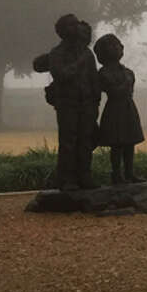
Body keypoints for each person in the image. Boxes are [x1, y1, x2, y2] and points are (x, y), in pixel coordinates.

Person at [33, 13, 101, 190]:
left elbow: (94, 78)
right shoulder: (57, 53)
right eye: (72, 25)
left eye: (77, 24)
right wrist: (79, 62)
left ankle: (85, 176)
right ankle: (66, 179)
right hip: (67, 104)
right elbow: (61, 75)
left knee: (86, 141)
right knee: (68, 142)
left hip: (87, 104)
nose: (77, 27)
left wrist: (96, 102)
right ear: (63, 31)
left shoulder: (87, 53)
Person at [93, 32, 145, 185]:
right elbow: (114, 91)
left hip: (128, 108)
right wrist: (125, 84)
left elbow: (129, 89)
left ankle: (129, 173)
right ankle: (117, 175)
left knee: (130, 142)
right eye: (113, 45)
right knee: (117, 144)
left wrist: (126, 84)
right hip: (115, 110)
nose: (119, 47)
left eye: (118, 44)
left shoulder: (128, 72)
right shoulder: (103, 73)